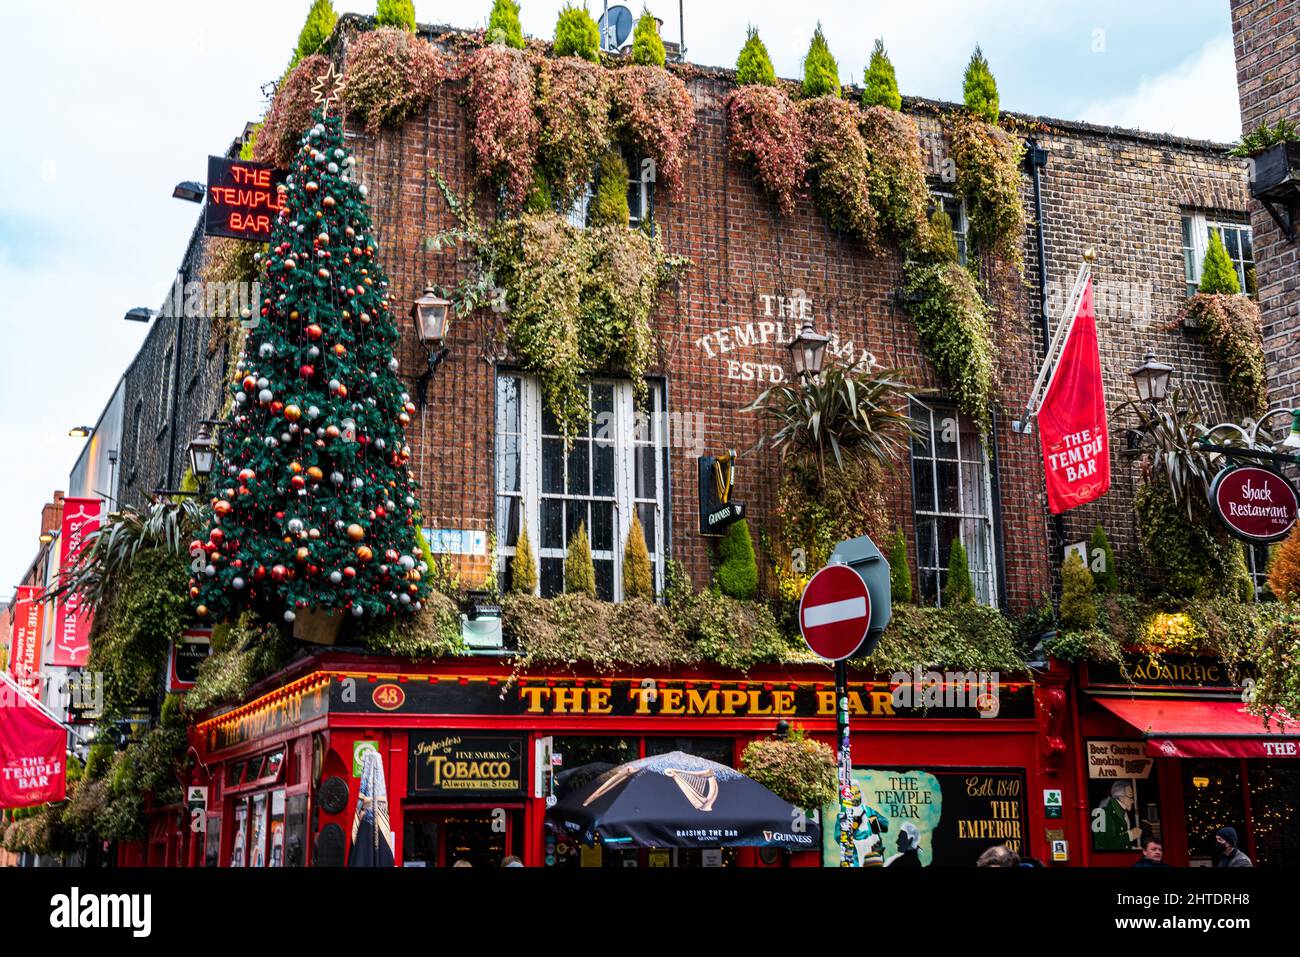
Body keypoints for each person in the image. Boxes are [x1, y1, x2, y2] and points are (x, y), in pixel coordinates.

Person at [1093, 780, 1142, 851]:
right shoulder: (1107, 812)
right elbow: (1107, 844)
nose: (1133, 801)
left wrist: (1133, 849)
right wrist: (1130, 835)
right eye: (1130, 796)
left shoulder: (1121, 811)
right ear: (1121, 797)